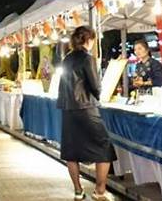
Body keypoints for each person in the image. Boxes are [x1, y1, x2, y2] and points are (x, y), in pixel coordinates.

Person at [57, 26, 116, 201]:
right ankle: (100, 191)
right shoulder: (87, 58)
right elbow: (95, 85)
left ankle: (78, 191)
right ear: (88, 40)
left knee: (71, 151)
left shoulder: (66, 59)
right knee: (104, 147)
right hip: (86, 108)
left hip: (68, 110)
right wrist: (100, 96)